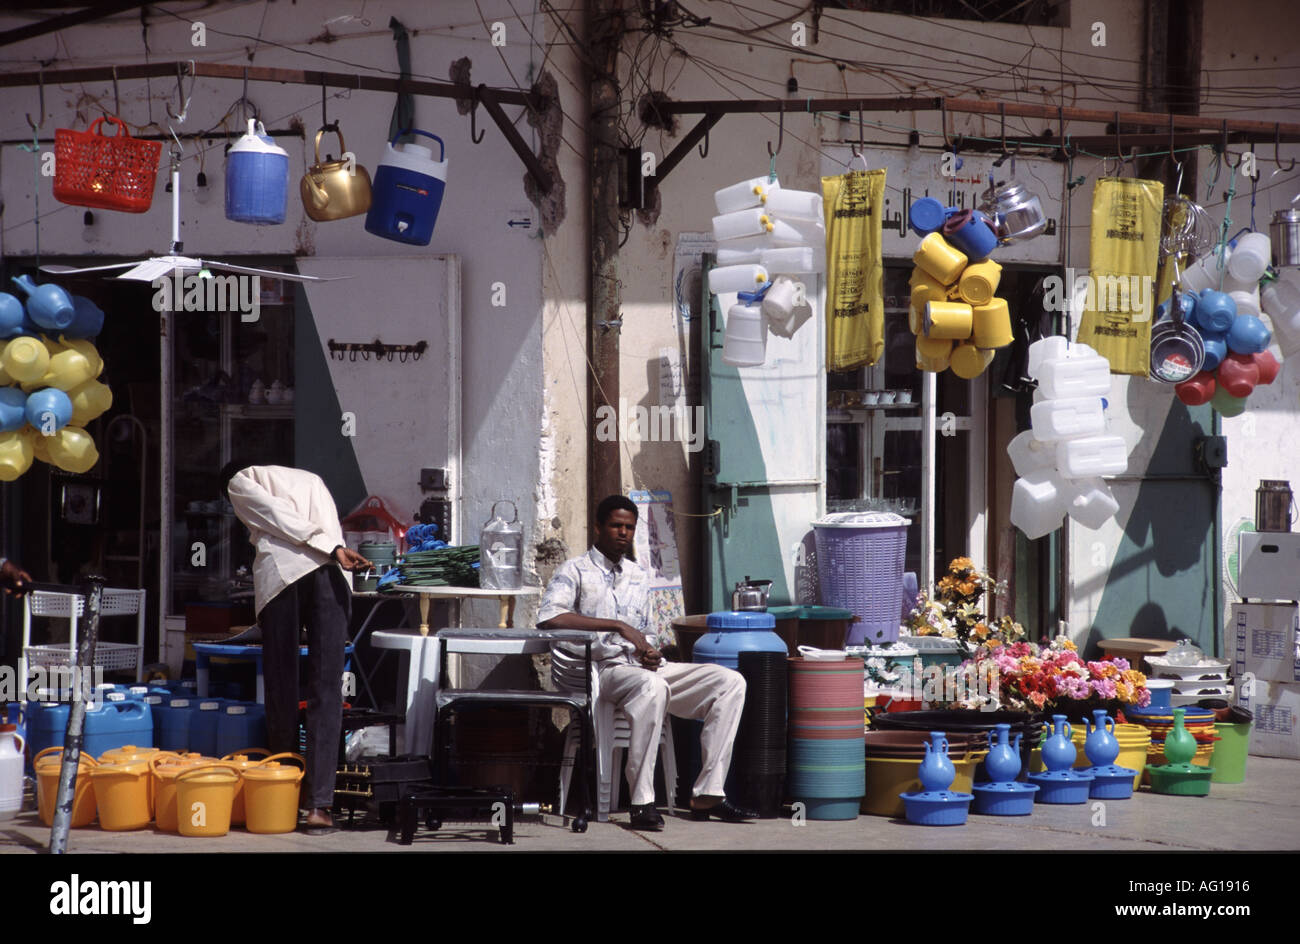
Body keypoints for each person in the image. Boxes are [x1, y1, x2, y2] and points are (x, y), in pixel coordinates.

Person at [537, 494, 757, 830]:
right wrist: (617, 626)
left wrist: (650, 650)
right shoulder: (576, 569)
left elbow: (648, 632)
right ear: (598, 528)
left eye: (629, 527)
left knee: (729, 681)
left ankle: (708, 793)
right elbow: (550, 617)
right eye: (615, 525)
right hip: (602, 671)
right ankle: (642, 802)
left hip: (640, 669)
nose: (623, 533)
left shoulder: (639, 576)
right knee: (651, 686)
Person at [222, 463, 372, 834]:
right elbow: (320, 525)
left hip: (284, 576)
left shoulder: (239, 480)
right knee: (326, 689)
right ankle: (319, 807)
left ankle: (284, 794)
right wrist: (333, 548)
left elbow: (277, 517)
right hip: (332, 575)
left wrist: (332, 547)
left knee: (282, 684)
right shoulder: (314, 479)